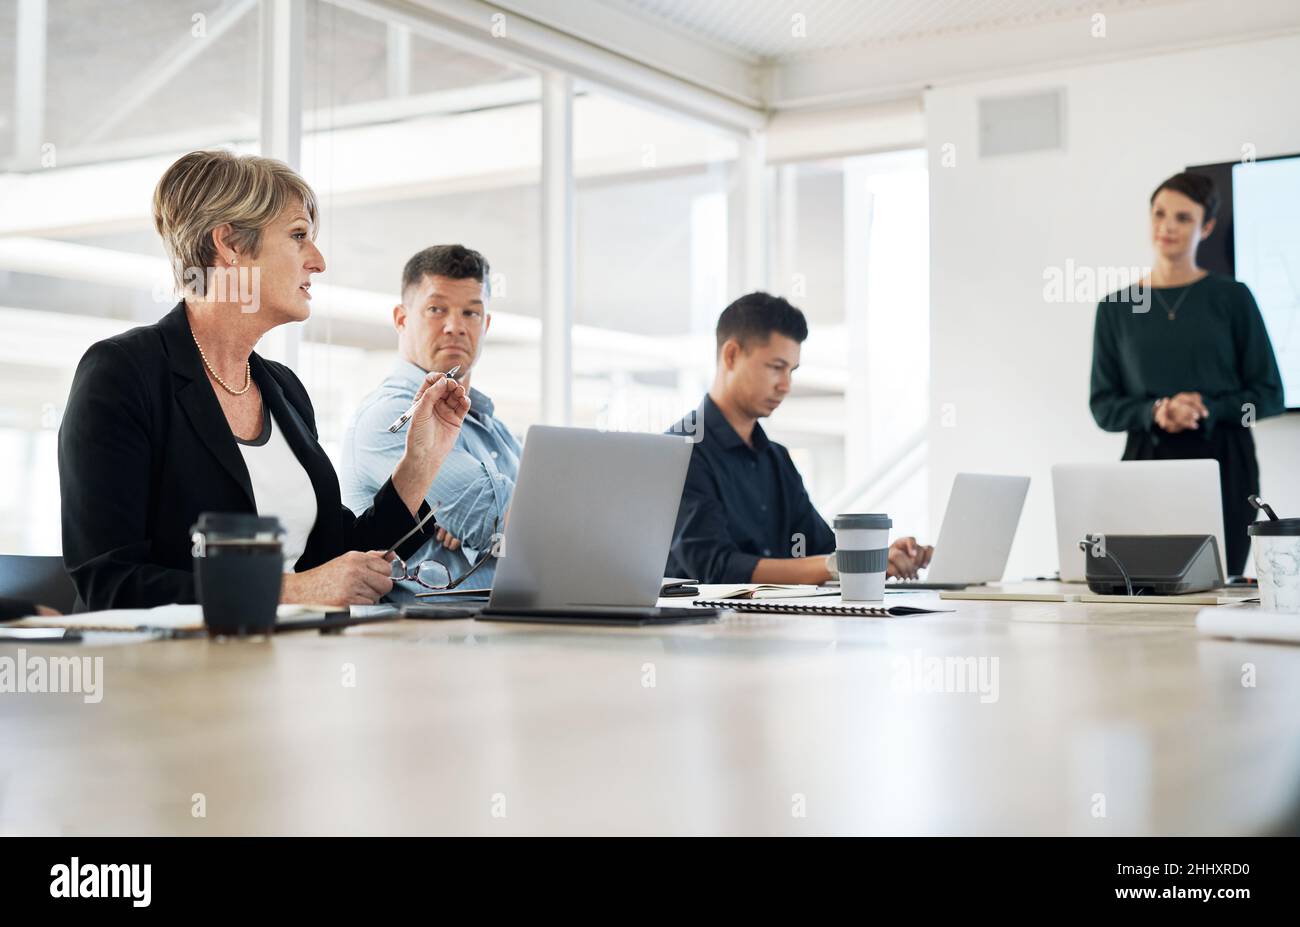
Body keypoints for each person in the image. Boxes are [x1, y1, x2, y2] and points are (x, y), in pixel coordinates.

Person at [58, 150, 470, 610]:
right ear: (230, 245)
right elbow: (109, 584)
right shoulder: (122, 374)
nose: (318, 261)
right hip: (170, 674)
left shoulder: (283, 390)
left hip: (288, 662)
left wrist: (421, 461)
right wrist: (289, 591)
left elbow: (334, 558)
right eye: (298, 236)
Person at [1090, 171, 1284, 575]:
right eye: (1159, 214)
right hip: (1147, 467)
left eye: (1183, 218)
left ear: (1207, 226)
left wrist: (1208, 408)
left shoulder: (1233, 297)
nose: (1168, 226)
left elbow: (1269, 394)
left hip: (1226, 467)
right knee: (1146, 587)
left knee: (1218, 587)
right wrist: (1156, 412)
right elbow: (1104, 406)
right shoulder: (1116, 307)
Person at [666, 292, 932, 584]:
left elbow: (822, 550)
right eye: (776, 367)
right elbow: (715, 567)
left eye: (791, 371)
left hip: (779, 624)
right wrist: (845, 562)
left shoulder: (776, 459)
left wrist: (881, 555)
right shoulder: (679, 451)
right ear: (731, 355)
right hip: (706, 626)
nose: (786, 385)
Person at [341, 245, 520, 595]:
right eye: (437, 309)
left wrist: (496, 516)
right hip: (426, 640)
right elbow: (515, 526)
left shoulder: (492, 427)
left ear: (485, 324)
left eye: (471, 313)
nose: (455, 326)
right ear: (401, 319)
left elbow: (531, 513)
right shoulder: (392, 415)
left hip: (502, 631)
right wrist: (498, 516)